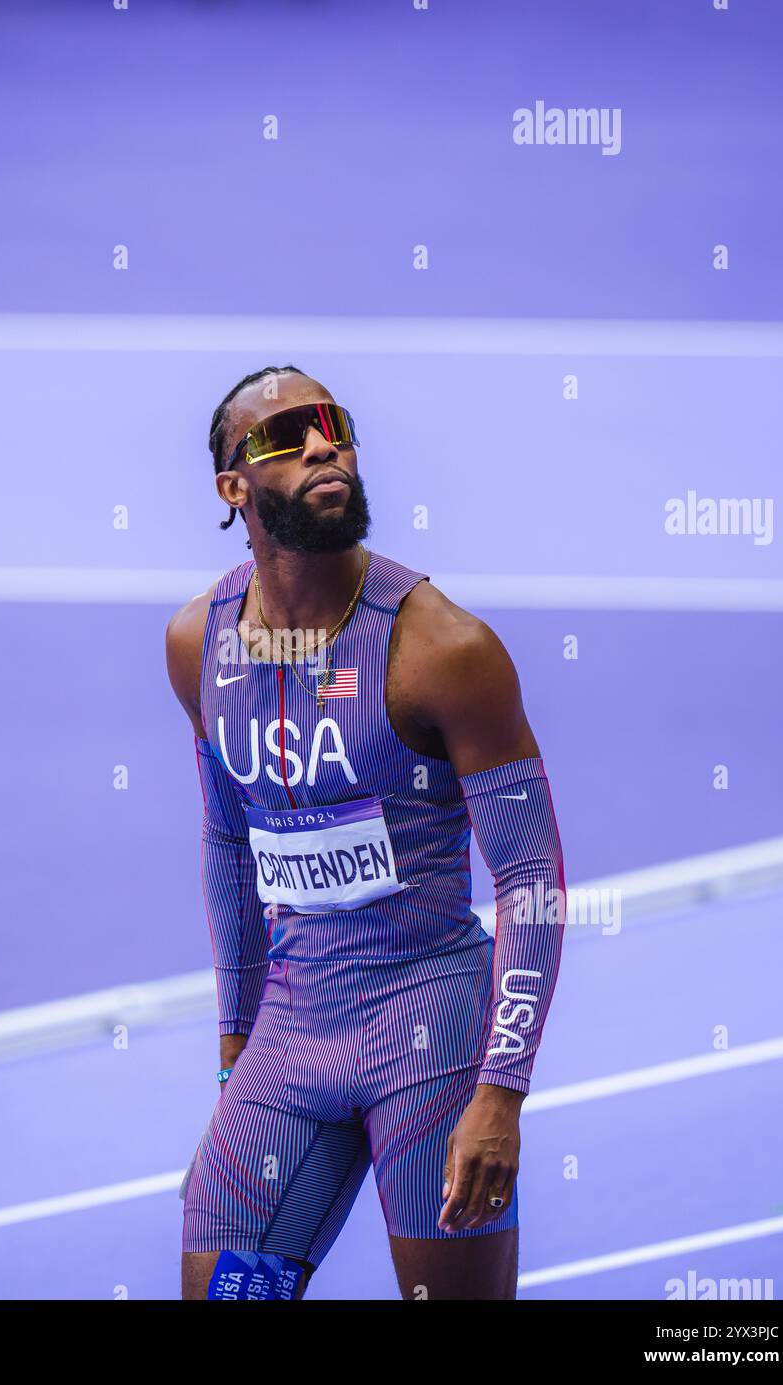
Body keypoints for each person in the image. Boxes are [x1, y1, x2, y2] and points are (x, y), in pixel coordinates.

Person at [165, 366, 566, 1300]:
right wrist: (234, 1042)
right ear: (233, 487)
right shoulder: (200, 645)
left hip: (431, 1033)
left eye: (333, 427)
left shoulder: (443, 650)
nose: (321, 446)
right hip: (290, 1033)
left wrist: (501, 1091)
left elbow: (531, 878)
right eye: (282, 437)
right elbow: (231, 844)